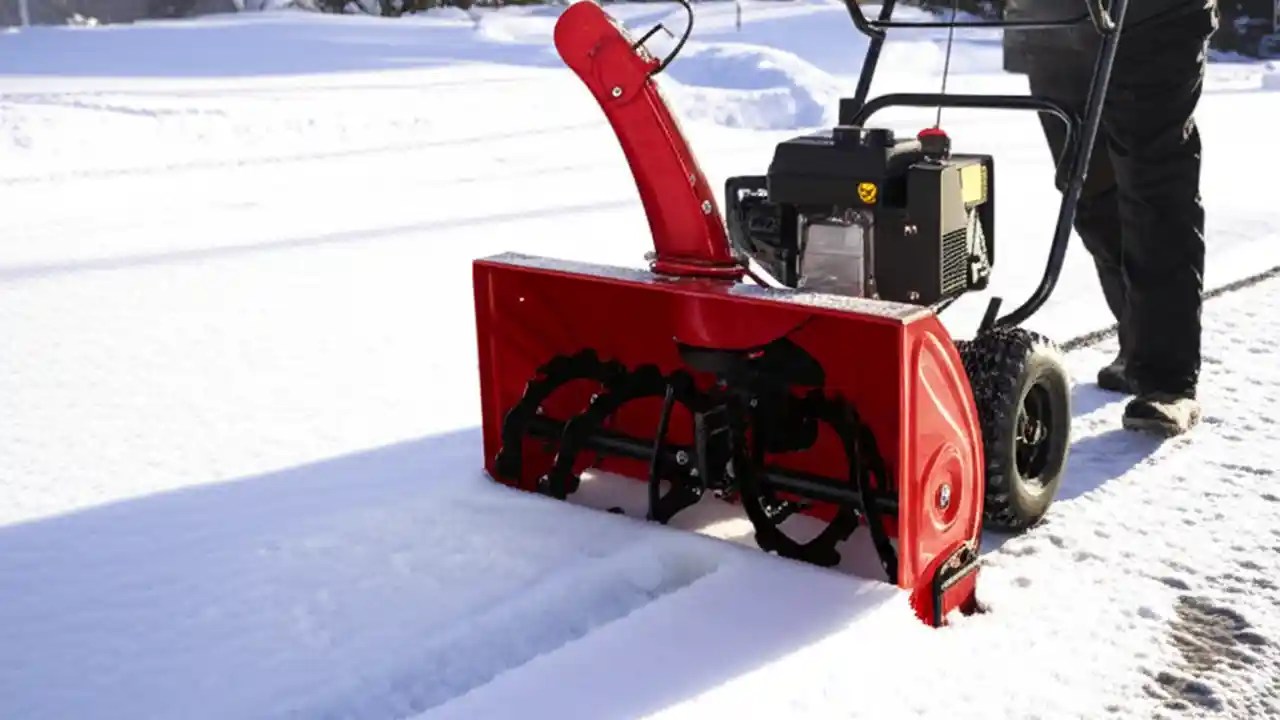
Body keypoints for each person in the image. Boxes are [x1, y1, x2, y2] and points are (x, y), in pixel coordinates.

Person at [1002, 0, 1218, 436]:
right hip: (1053, 19)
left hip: (1156, 15)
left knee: (1151, 183)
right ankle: (1139, 343)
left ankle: (1166, 380)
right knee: (1087, 187)